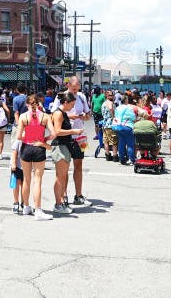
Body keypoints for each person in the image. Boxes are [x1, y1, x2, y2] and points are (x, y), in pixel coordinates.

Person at [49, 76, 91, 207]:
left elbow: (88, 116)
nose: (75, 92)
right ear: (68, 86)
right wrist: (69, 116)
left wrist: (85, 117)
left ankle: (78, 195)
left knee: (79, 165)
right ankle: (64, 195)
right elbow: (54, 115)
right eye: (73, 89)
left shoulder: (82, 97)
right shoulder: (60, 97)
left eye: (77, 89)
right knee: (64, 168)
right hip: (65, 137)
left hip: (80, 137)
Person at [15, 93, 53, 221]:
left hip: (26, 148)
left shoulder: (23, 117)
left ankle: (26, 206)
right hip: (39, 148)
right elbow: (53, 133)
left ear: (27, 104)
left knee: (26, 179)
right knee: (38, 180)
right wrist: (44, 140)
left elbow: (19, 136)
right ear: (39, 103)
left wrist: (29, 137)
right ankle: (38, 210)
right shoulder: (45, 117)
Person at [113, 94, 137, 165]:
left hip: (119, 127)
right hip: (128, 126)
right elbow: (133, 117)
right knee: (130, 144)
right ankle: (131, 159)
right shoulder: (128, 108)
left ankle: (121, 159)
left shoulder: (117, 108)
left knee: (121, 143)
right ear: (126, 100)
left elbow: (116, 116)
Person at [101, 89, 118, 161]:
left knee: (106, 141)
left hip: (105, 124)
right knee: (114, 141)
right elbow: (111, 108)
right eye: (110, 95)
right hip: (110, 124)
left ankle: (107, 155)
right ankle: (115, 156)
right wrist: (114, 116)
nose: (112, 96)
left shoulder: (103, 103)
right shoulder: (110, 102)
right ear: (107, 96)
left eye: (112, 95)